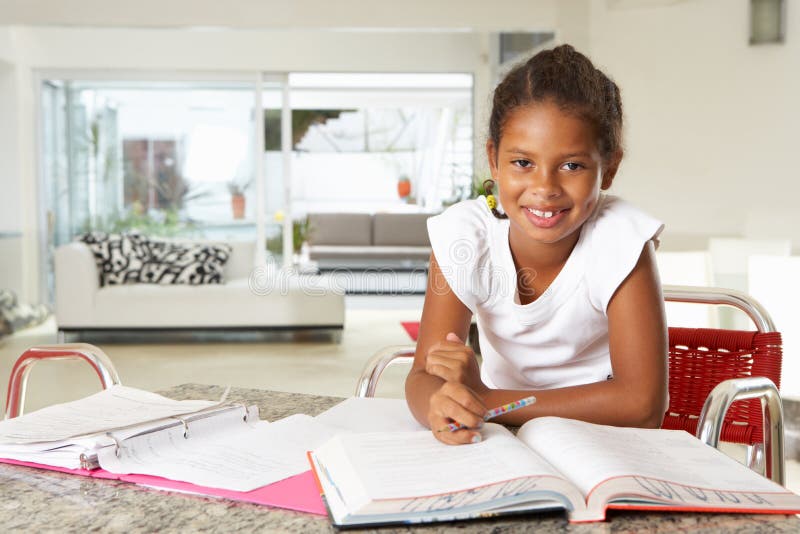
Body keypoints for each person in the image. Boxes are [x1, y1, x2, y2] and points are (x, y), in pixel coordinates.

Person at [405, 44, 668, 445]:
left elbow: (642, 405)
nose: (545, 188)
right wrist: (440, 404)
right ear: (493, 159)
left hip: (604, 441)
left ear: (609, 168)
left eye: (572, 165)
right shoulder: (465, 236)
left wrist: (489, 401)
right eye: (523, 163)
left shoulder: (621, 240)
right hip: (499, 441)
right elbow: (423, 376)